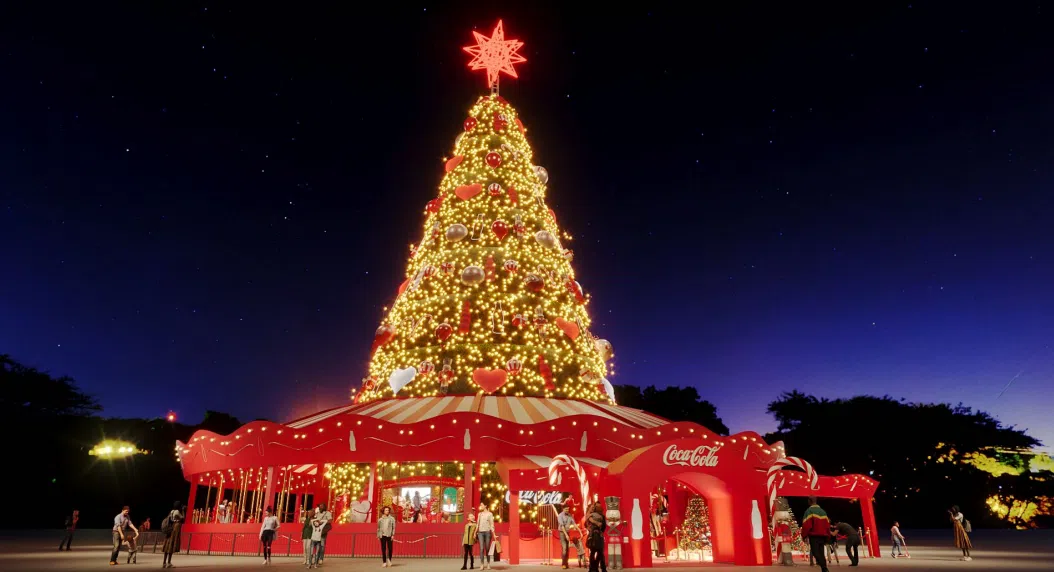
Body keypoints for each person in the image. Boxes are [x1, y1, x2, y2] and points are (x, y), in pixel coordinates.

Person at [800, 496, 831, 572]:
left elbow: (806, 525)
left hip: (814, 536)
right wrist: (828, 536)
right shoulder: (823, 511)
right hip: (823, 536)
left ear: (810, 501)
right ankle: (824, 569)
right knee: (821, 553)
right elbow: (827, 525)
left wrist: (804, 535)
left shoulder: (809, 511)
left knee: (815, 552)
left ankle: (824, 568)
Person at [161, 502, 185, 569]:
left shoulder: (172, 511)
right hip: (175, 529)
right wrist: (183, 510)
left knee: (167, 546)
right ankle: (168, 563)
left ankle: (164, 563)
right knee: (171, 546)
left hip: (171, 528)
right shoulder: (177, 511)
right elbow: (183, 519)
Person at [586, 502, 607, 572]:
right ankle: (594, 568)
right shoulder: (591, 515)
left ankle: (594, 568)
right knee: (596, 552)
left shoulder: (598, 516)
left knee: (598, 552)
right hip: (595, 535)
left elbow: (604, 526)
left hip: (596, 535)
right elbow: (586, 524)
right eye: (597, 507)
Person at [477, 503, 495, 570]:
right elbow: (477, 523)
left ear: (485, 505)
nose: (480, 506)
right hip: (480, 533)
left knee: (487, 549)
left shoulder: (490, 514)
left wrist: (494, 533)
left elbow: (491, 524)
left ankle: (488, 563)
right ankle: (482, 564)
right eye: (480, 505)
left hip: (487, 532)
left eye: (482, 505)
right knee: (481, 549)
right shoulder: (480, 514)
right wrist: (475, 532)